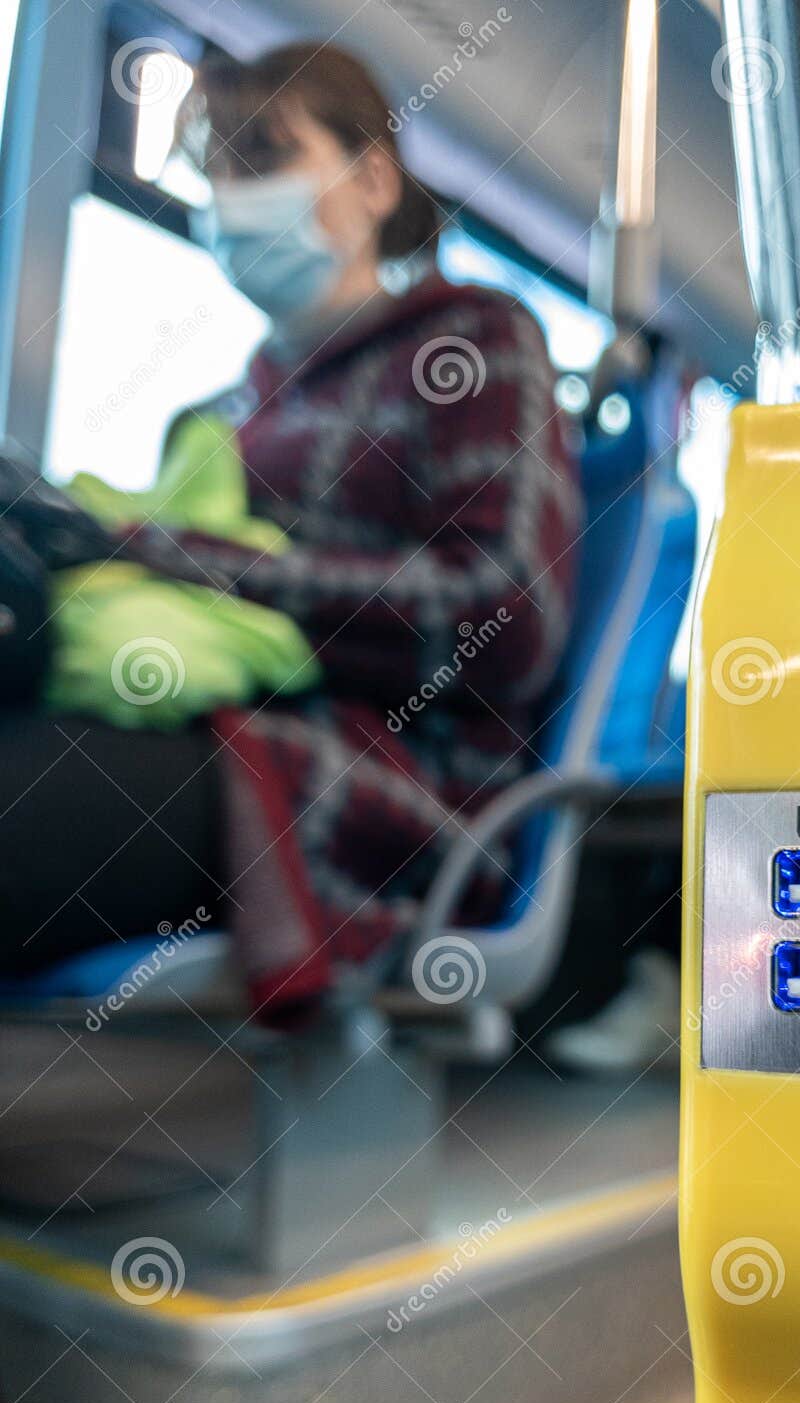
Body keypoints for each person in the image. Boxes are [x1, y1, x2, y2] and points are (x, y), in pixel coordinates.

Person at [0, 44, 578, 1019]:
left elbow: (507, 623)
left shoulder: (471, 340)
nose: (232, 198)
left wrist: (151, 549)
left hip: (361, 777)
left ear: (374, 179)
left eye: (262, 161)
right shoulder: (214, 415)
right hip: (198, 725)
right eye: (215, 172)